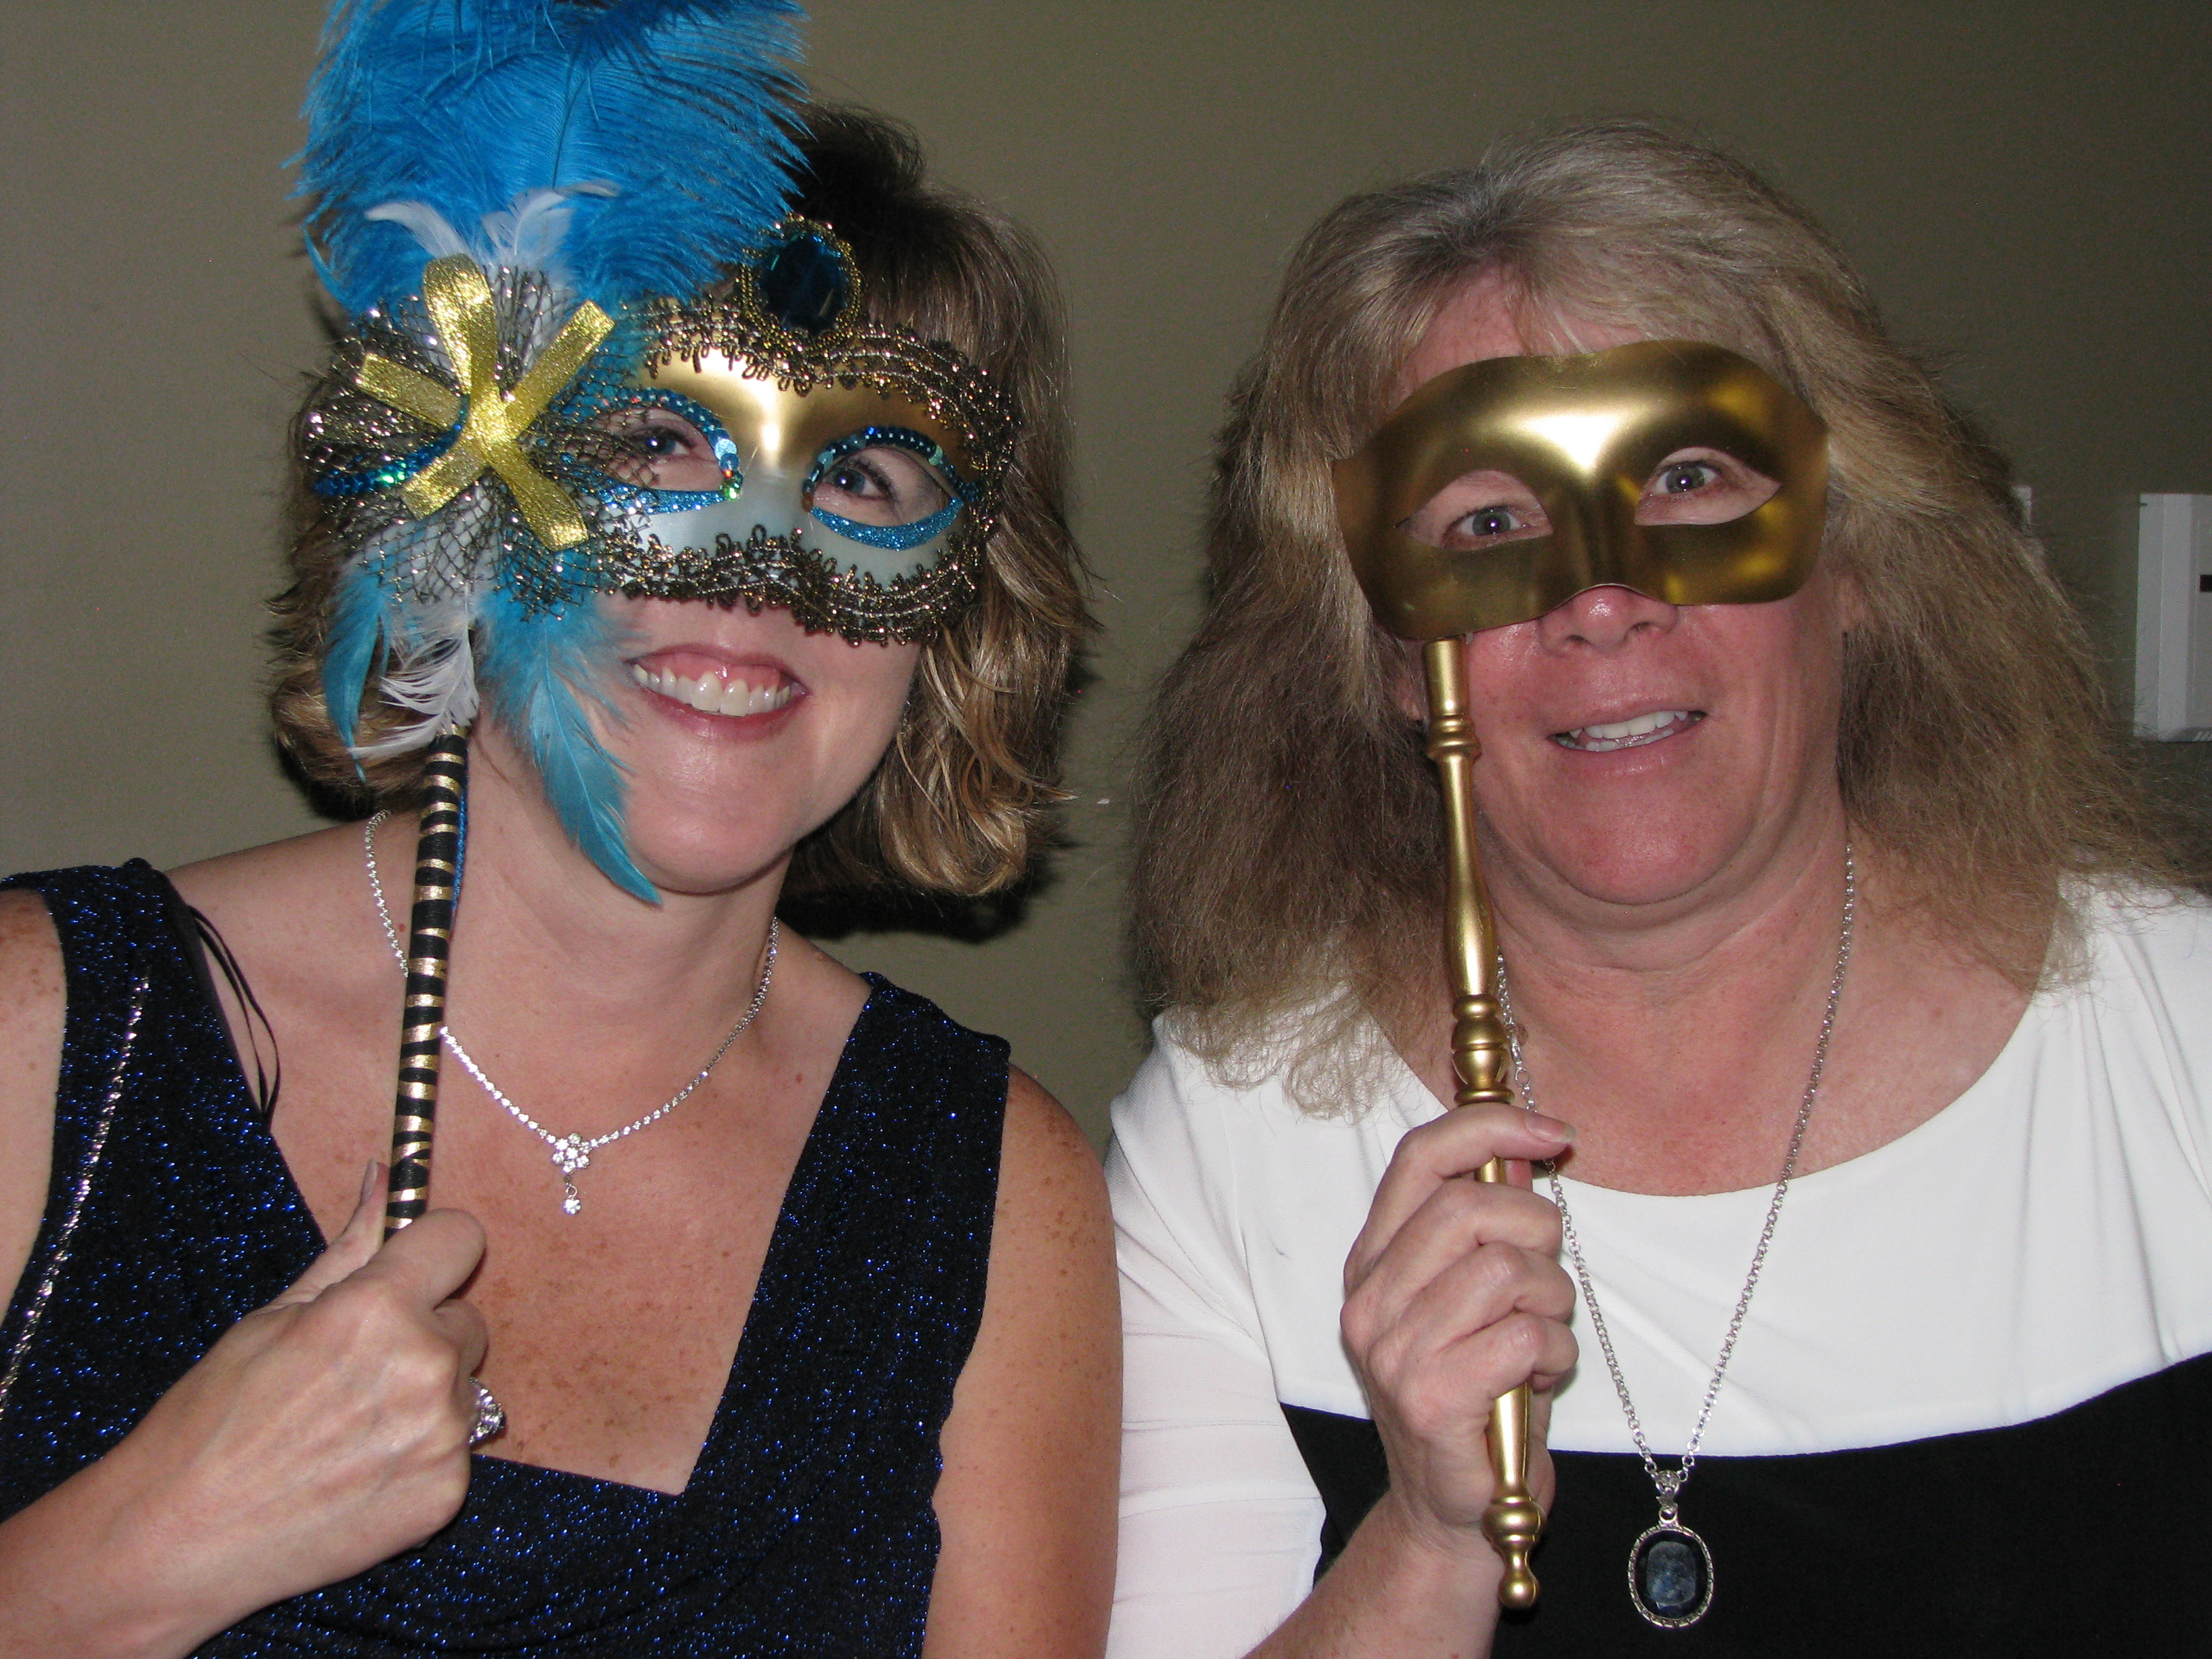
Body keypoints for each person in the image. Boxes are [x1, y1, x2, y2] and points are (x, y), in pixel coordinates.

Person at [0, 5, 1115, 1654]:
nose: (754, 569)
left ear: (952, 618)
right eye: (659, 441)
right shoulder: (41, 1038)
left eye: (868, 479)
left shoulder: (994, 1196)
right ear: (457, 499)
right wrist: (146, 1548)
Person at [1107, 121, 2212, 1656]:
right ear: (1361, 652)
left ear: (1862, 562)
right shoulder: (1230, 1156)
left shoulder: (2182, 1054)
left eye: (1689, 477)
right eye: (1488, 523)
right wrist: (1426, 1539)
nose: (1601, 598)